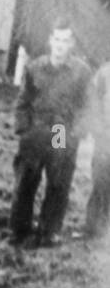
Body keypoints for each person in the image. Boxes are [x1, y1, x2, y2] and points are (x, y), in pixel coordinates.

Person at [9, 20, 92, 248]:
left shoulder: (81, 72)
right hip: (37, 129)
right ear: (50, 40)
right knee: (26, 181)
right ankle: (19, 230)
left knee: (58, 182)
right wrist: (24, 128)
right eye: (57, 39)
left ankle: (49, 231)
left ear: (72, 44)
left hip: (60, 131)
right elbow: (23, 101)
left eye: (65, 41)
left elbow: (87, 106)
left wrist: (76, 133)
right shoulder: (35, 67)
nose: (60, 46)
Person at [85, 60, 110, 242]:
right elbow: (93, 103)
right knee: (100, 182)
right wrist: (99, 130)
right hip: (106, 138)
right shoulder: (104, 73)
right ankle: (93, 228)